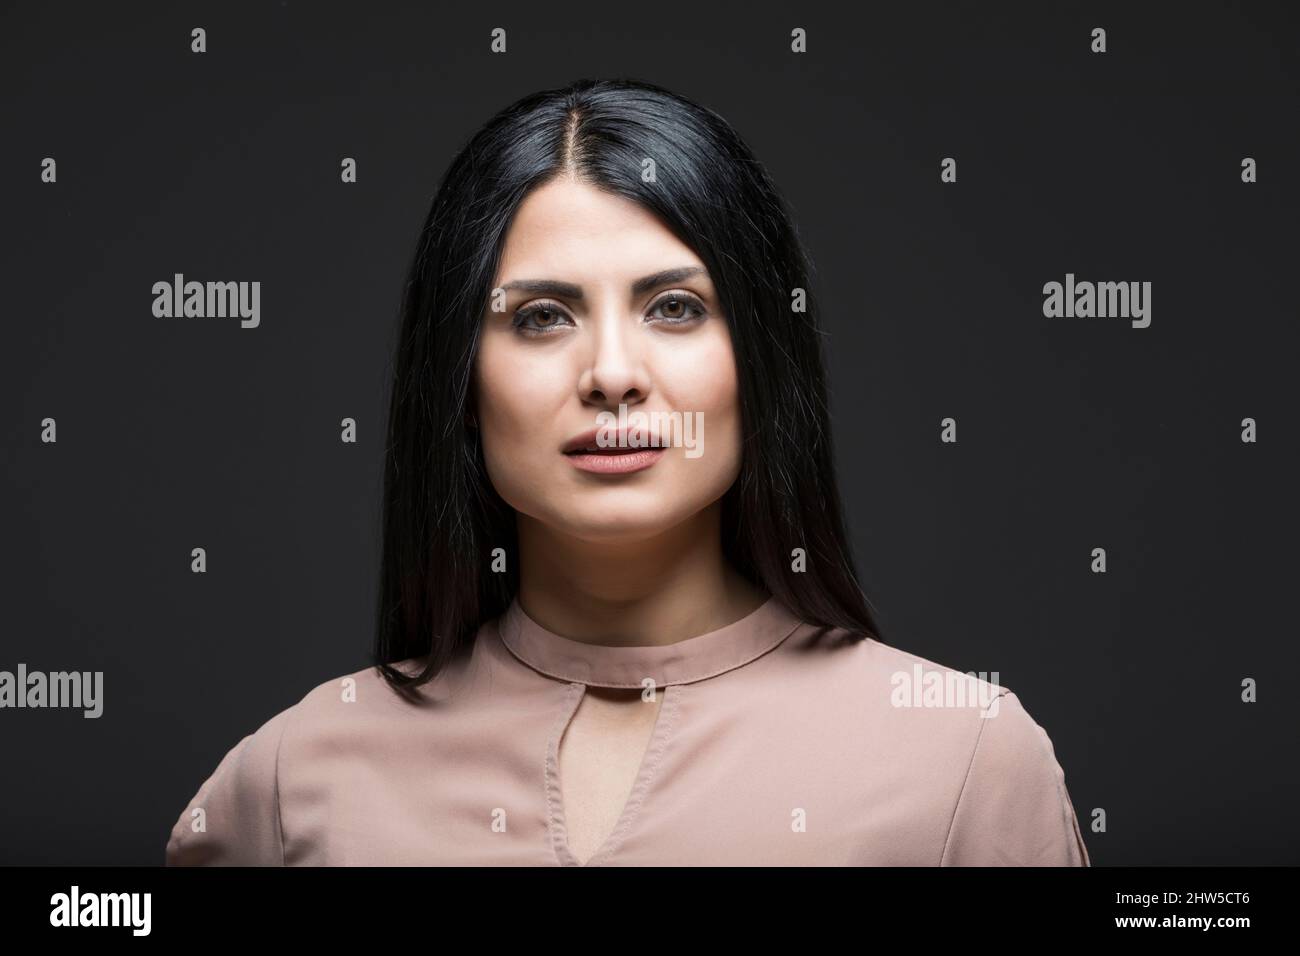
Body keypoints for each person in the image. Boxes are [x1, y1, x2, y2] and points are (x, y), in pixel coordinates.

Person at [165, 77, 1090, 867]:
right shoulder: (293, 782)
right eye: (540, 317)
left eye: (677, 307)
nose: (611, 373)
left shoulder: (964, 762)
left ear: (763, 356)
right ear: (457, 374)